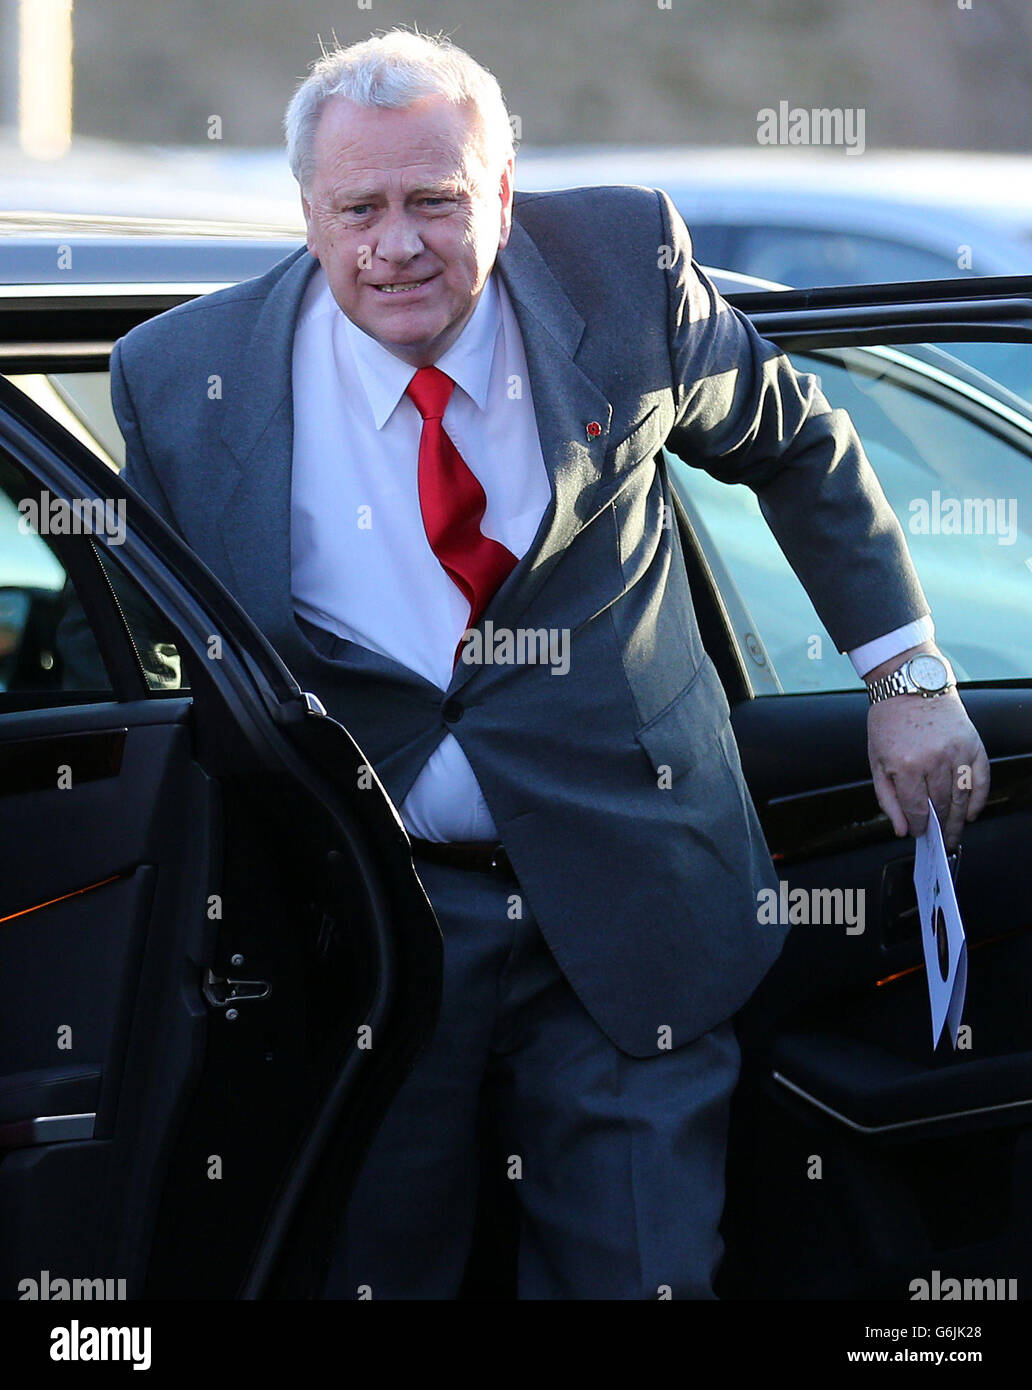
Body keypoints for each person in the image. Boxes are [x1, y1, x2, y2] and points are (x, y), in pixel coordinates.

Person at [103, 29, 989, 1298]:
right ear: (307, 212)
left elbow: (798, 446)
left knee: (642, 1274)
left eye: (437, 201)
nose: (397, 244)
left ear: (503, 196)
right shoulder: (181, 379)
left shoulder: (622, 273)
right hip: (373, 916)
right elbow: (164, 650)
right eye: (360, 208)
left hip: (634, 897)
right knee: (377, 1269)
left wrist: (907, 681)